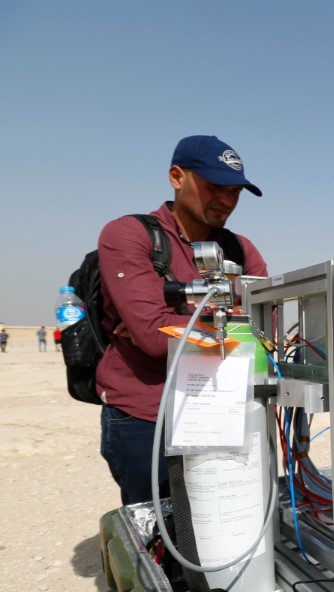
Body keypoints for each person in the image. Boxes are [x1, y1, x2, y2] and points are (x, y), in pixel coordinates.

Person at [96, 135, 268, 506]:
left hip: (223, 410)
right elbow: (155, 340)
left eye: (235, 190)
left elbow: (265, 330)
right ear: (176, 177)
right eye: (214, 186)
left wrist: (173, 321)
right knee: (161, 535)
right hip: (147, 416)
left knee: (224, 525)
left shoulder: (241, 249)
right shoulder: (129, 235)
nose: (226, 199)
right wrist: (219, 323)